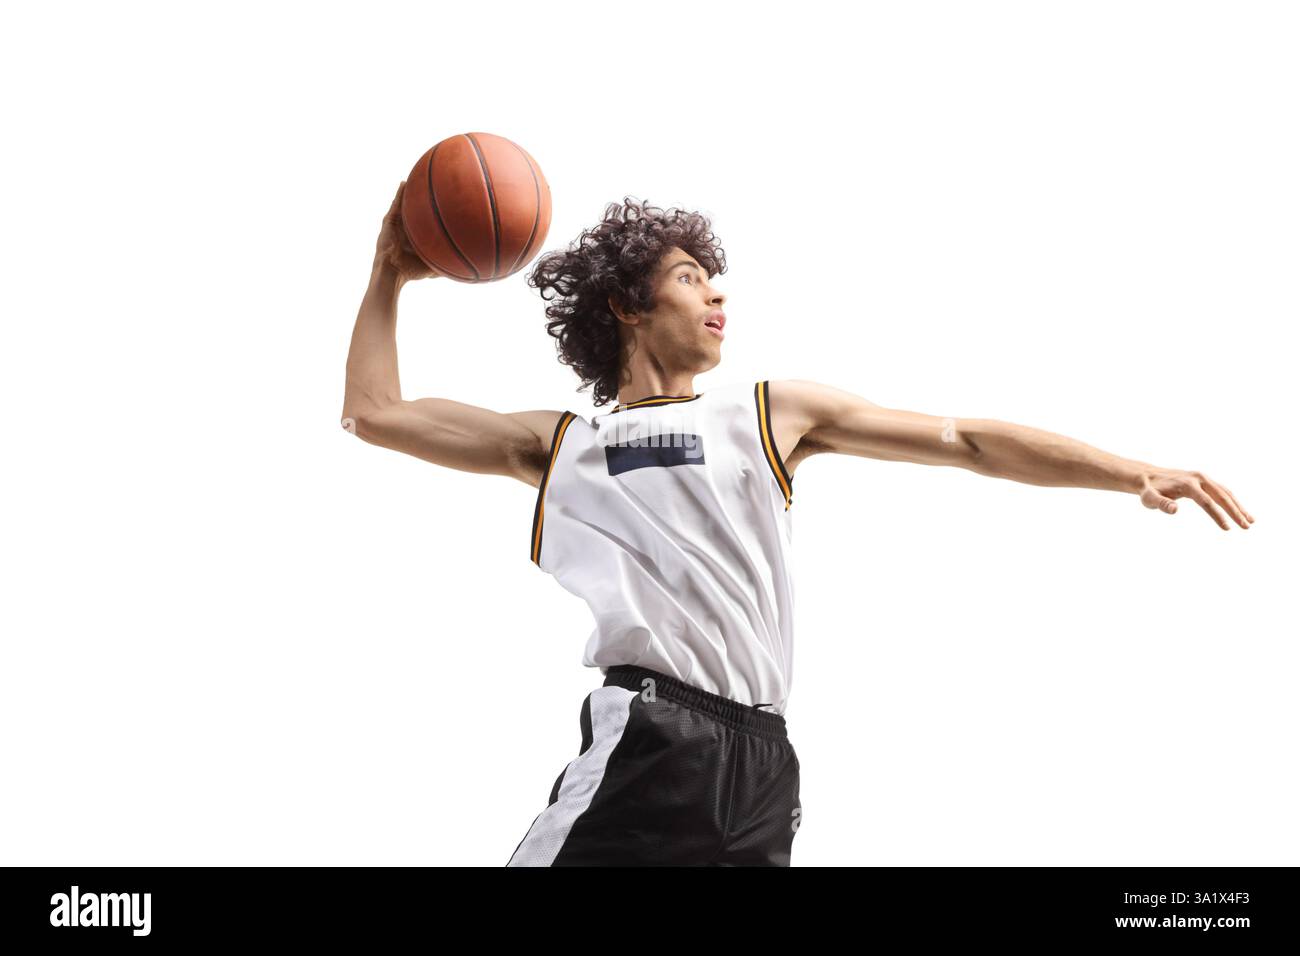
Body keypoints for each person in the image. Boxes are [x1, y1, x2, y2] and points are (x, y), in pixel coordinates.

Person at [341, 181, 1254, 867]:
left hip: (765, 767)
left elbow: (969, 440)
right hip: (652, 739)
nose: (718, 299)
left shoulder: (768, 416)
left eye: (717, 282)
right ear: (625, 304)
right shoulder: (560, 446)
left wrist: (1128, 471)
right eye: (690, 278)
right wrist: (390, 267)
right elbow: (375, 412)